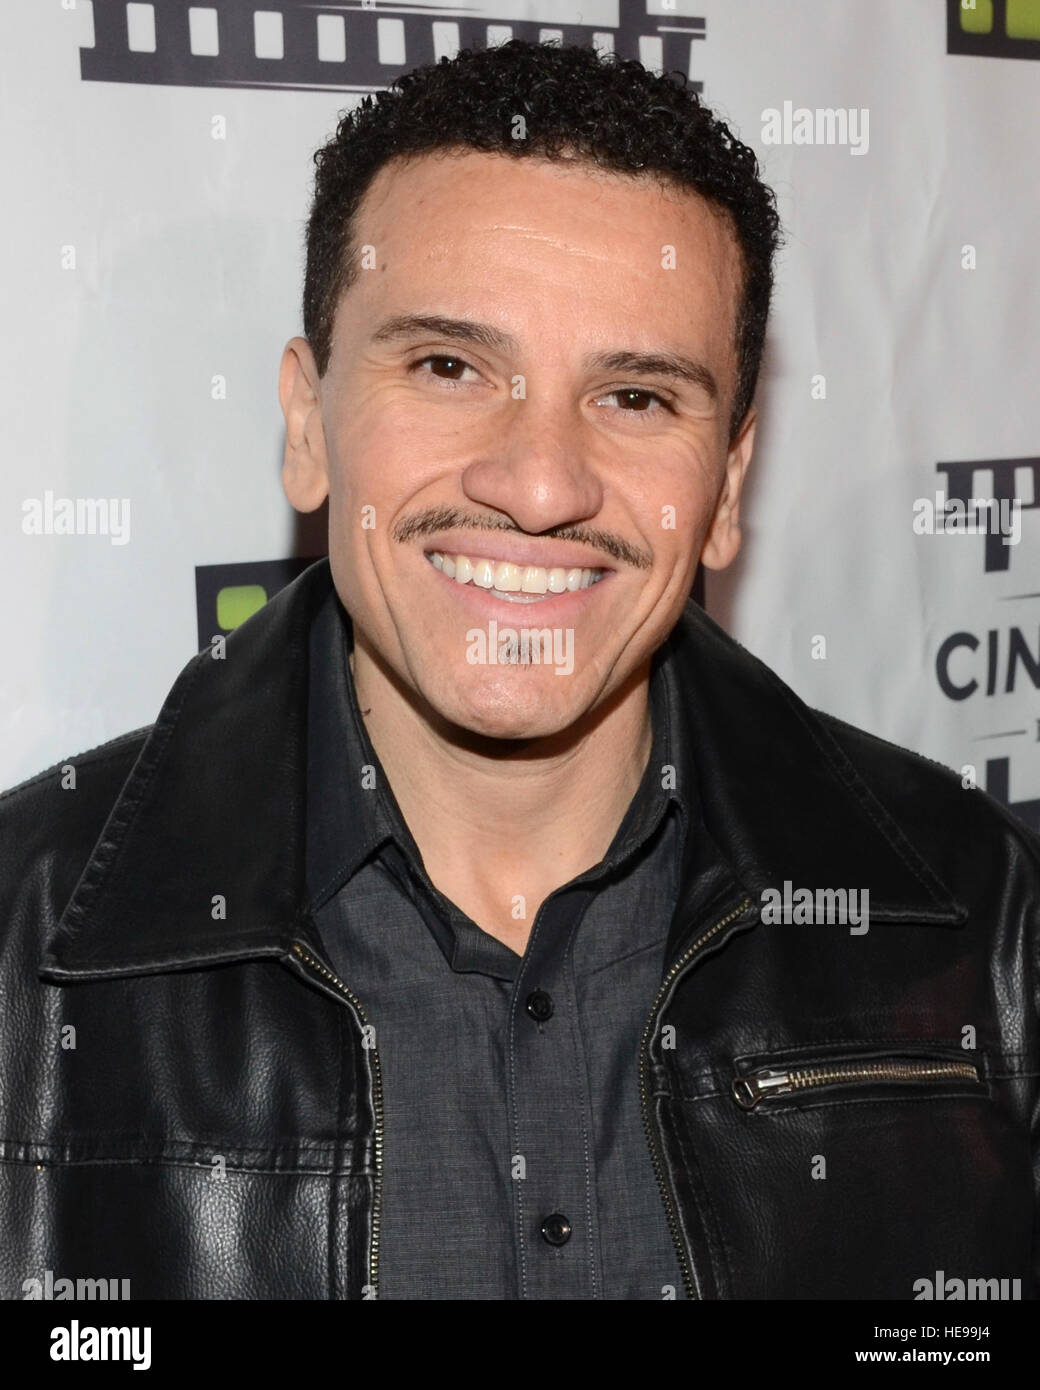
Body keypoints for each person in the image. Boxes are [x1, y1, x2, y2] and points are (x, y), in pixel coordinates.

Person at [1, 40, 1036, 1302]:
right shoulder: (24, 941)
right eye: (448, 367)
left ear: (725, 486)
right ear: (304, 423)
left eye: (637, 396)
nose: (539, 485)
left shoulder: (975, 912)